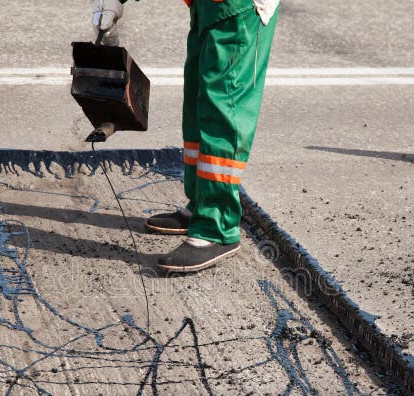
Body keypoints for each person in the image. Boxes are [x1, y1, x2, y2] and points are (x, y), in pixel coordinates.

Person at [93, 0, 279, 273]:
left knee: (223, 110)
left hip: (239, 8)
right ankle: (201, 206)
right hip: (209, 6)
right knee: (197, 105)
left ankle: (217, 227)